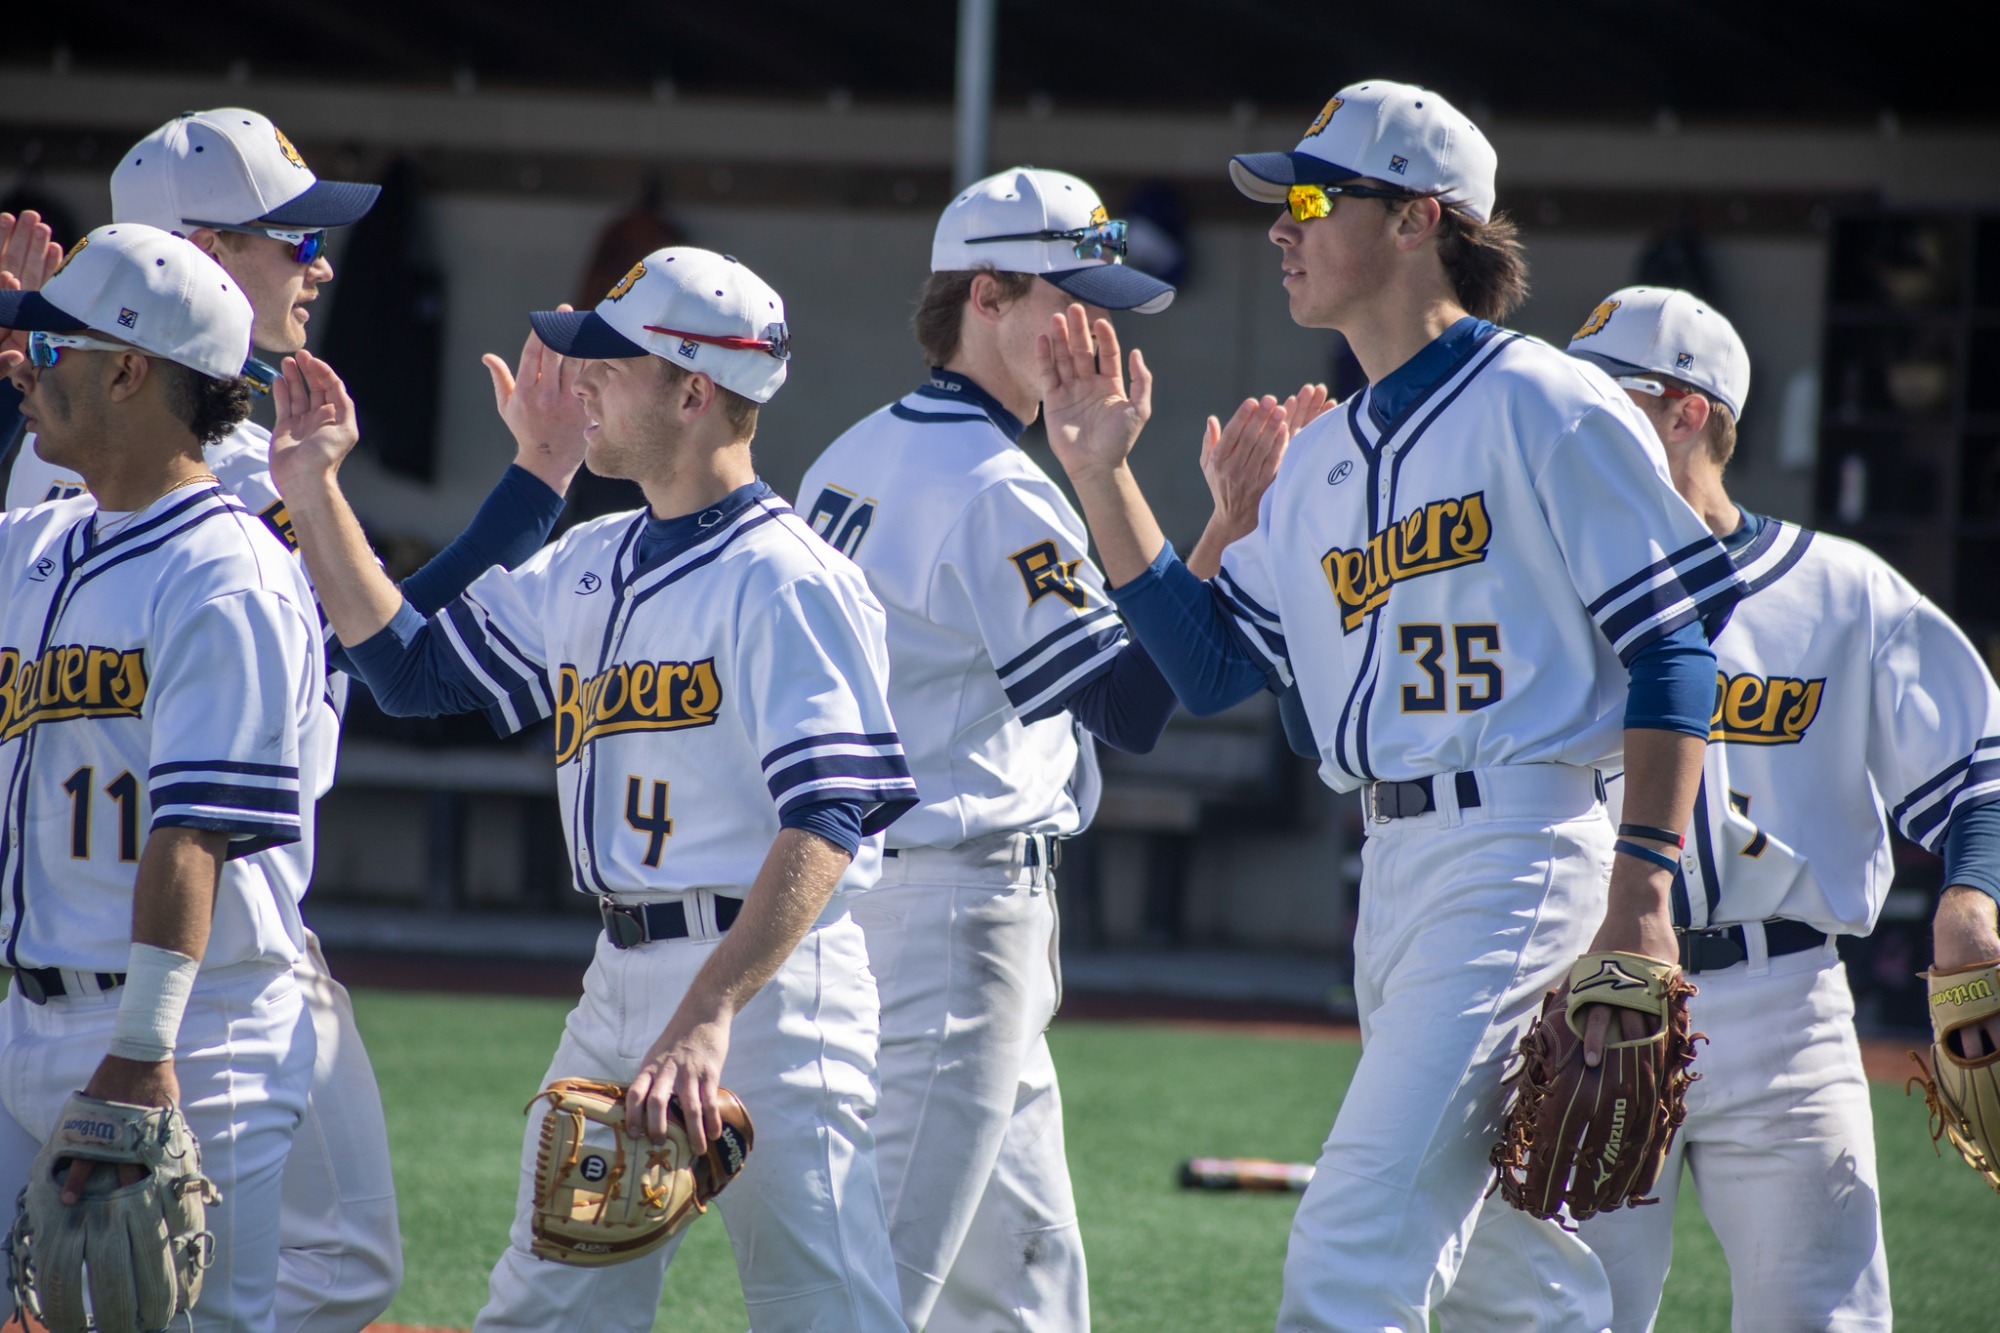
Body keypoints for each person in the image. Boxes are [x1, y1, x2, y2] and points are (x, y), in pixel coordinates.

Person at [1033, 79, 1748, 1330]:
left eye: (1312, 196)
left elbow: (1672, 646)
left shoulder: (1545, 398)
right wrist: (1105, 480)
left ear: (1421, 220)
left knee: (1355, 1243)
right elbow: (1204, 670)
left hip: (1523, 846)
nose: (1280, 226)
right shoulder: (1317, 460)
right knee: (1505, 1281)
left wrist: (1641, 891)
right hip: (1396, 865)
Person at [1, 109, 588, 1330]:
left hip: (171, 942)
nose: (316, 263)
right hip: (196, 952)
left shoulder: (149, 464)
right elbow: (379, 648)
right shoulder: (172, 478)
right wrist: (528, 498)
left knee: (327, 1271)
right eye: (289, 238)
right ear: (202, 254)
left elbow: (361, 639)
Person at [266, 246, 917, 1332]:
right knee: (542, 1310)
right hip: (618, 978)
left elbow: (827, 818)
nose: (581, 384)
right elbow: (411, 673)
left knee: (827, 1310)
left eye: (610, 364)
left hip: (763, 998)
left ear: (693, 390)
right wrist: (314, 492)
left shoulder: (789, 576)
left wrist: (709, 1011)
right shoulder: (590, 557)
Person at [797, 165, 1312, 1331]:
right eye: (1068, 296)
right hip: (950, 916)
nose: (1097, 327)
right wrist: (1191, 514)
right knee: (870, 1289)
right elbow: (1138, 701)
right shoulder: (996, 487)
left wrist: (1217, 523)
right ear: (985, 291)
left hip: (892, 897)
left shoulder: (851, 449)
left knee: (1025, 1294)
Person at [1557, 286, 2000, 1330]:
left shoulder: (1840, 590)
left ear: (1686, 413)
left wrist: (1968, 900)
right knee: (1560, 1313)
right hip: (1594, 991)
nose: (1566, 427)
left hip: (1786, 1000)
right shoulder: (1546, 588)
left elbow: (1976, 759)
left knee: (1822, 1315)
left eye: (1600, 401)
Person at [0, 223, 338, 1331]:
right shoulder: (42, 546)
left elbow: (191, 831)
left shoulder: (229, 570)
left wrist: (142, 1052)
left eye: (52, 350)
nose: (25, 365)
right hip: (35, 1014)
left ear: (129, 371)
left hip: (186, 1034)